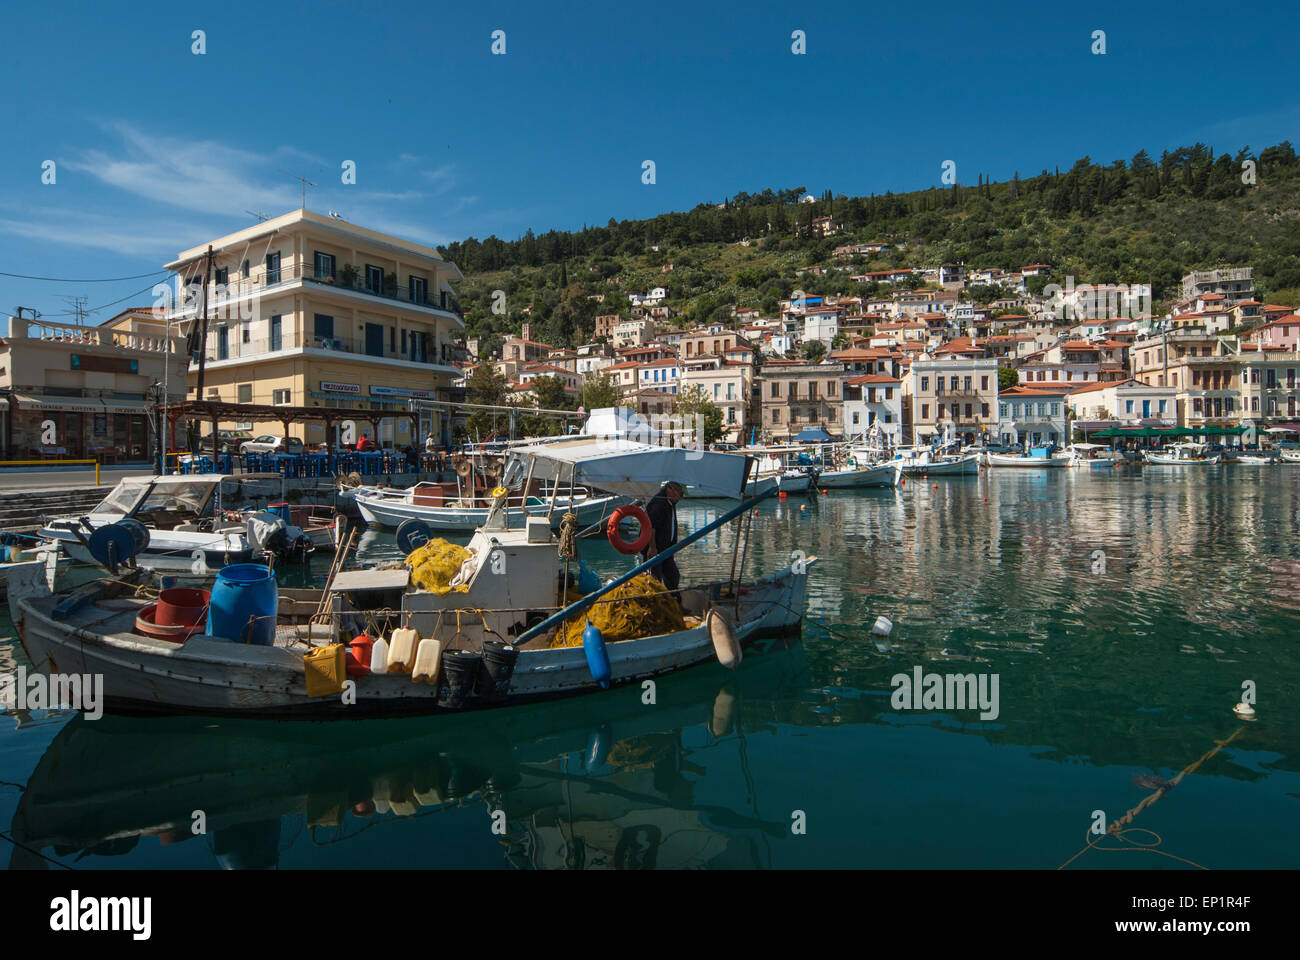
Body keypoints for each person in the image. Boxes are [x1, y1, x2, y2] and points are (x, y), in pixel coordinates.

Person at [641, 481, 684, 592]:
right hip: (656, 549)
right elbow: (651, 526)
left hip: (666, 549)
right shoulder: (659, 504)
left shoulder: (670, 503)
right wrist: (652, 547)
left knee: (673, 576)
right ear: (670, 489)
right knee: (655, 579)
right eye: (680, 494)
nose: (681, 498)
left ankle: (674, 600)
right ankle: (654, 603)